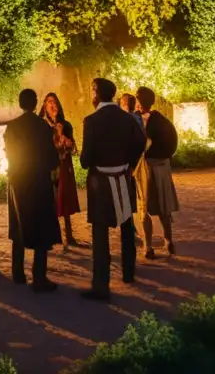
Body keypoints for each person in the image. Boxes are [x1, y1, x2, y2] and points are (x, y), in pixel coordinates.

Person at [79, 77, 147, 302]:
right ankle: (128, 273)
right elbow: (140, 142)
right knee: (126, 227)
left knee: (100, 233)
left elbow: (85, 160)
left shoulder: (91, 121)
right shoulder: (127, 119)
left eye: (92, 91)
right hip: (123, 177)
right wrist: (127, 162)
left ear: (97, 93)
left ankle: (101, 285)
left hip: (101, 182)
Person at [5, 89, 61, 291]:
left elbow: (9, 154)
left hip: (18, 180)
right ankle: (39, 277)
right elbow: (52, 158)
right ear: (36, 103)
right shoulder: (42, 127)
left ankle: (18, 273)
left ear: (20, 104)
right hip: (38, 179)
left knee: (18, 223)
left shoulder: (11, 127)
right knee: (41, 226)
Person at [134, 87, 180, 259]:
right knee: (163, 206)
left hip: (146, 166)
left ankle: (147, 246)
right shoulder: (163, 121)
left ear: (139, 102)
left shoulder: (139, 121)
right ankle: (168, 241)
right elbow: (173, 143)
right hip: (162, 166)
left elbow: (141, 145)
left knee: (143, 206)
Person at [40, 92, 81, 248]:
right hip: (49, 165)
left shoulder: (66, 124)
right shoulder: (42, 126)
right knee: (50, 198)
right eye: (49, 101)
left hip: (64, 164)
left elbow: (74, 148)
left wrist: (68, 143)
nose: (53, 105)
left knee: (64, 198)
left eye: (55, 102)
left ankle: (68, 235)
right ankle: (50, 234)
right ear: (44, 106)